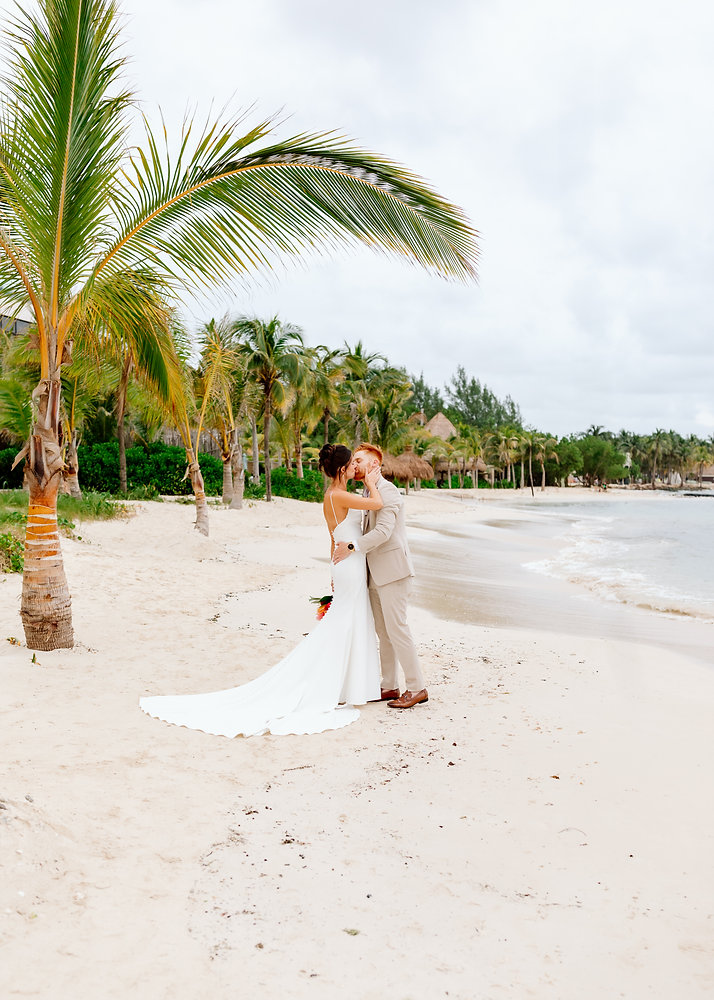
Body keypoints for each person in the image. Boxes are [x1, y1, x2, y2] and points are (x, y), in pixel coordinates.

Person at [139, 445, 384, 737]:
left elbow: (333, 537)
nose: (356, 468)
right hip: (350, 565)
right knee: (343, 623)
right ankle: (341, 684)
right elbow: (377, 504)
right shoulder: (339, 495)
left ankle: (348, 684)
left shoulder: (332, 496)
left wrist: (333, 566)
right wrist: (372, 482)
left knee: (346, 621)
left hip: (344, 563)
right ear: (343, 469)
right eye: (353, 464)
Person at [333, 442, 428, 709]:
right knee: (383, 633)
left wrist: (351, 547)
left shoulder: (389, 491)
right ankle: (389, 686)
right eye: (354, 461)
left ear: (374, 464)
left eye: (359, 460)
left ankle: (417, 687)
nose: (355, 465)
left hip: (394, 572)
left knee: (398, 630)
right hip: (374, 574)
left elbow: (384, 532)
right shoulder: (367, 491)